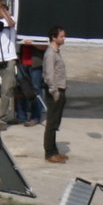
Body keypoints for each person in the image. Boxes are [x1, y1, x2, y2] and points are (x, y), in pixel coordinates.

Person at [42, 25, 70, 163]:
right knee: (52, 123)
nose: (64, 38)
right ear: (54, 37)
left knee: (55, 122)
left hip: (60, 89)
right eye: (61, 36)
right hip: (55, 91)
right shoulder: (51, 54)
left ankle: (55, 150)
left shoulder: (56, 52)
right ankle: (49, 152)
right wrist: (54, 92)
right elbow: (49, 75)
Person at [15, 36, 45, 126]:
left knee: (36, 89)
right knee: (21, 88)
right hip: (22, 61)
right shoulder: (23, 28)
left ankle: (35, 117)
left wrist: (32, 43)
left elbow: (46, 46)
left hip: (35, 63)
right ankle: (21, 116)